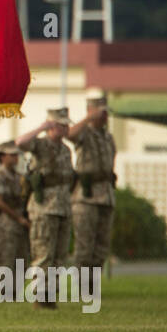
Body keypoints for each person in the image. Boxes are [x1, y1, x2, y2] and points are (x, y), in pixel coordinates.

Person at [16, 109, 75, 308]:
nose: (66, 128)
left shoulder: (66, 150)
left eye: (66, 125)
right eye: (61, 124)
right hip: (44, 209)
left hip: (63, 208)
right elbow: (20, 142)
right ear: (52, 126)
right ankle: (40, 297)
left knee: (59, 257)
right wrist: (41, 128)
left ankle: (51, 296)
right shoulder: (40, 145)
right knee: (43, 255)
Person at [68, 91, 117, 279]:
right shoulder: (84, 133)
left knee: (101, 247)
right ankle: (82, 287)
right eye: (102, 112)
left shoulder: (108, 137)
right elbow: (70, 135)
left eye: (106, 112)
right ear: (92, 110)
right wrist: (88, 118)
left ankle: (92, 285)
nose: (105, 116)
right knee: (84, 247)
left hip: (106, 196)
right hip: (86, 198)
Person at [0, 143, 30, 272]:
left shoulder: (19, 177)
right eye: (11, 155)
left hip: (19, 226)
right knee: (4, 262)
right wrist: (19, 219)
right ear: (2, 157)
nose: (15, 158)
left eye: (16, 155)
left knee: (21, 262)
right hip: (4, 225)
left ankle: (15, 291)